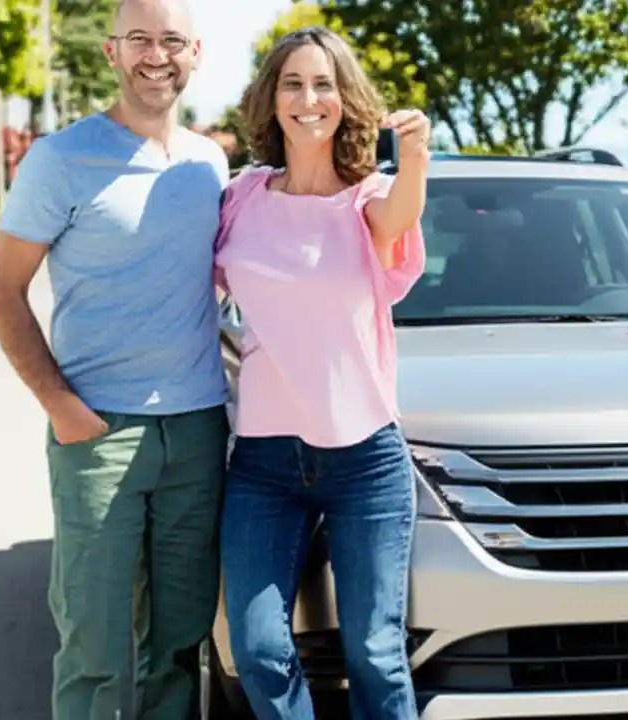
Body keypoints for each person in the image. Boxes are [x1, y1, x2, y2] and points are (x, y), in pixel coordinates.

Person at [0, 0, 230, 717]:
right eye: (141, 40)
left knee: (180, 647)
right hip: (99, 432)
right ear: (111, 54)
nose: (158, 55)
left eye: (173, 40)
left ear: (196, 53)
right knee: (93, 649)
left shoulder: (210, 163)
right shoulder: (60, 160)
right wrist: (62, 408)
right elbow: (2, 289)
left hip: (197, 429)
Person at [212, 26, 430, 720]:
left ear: (345, 98)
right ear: (271, 99)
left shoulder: (365, 199)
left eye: (325, 84)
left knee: (374, 651)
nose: (309, 98)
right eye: (293, 83)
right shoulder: (243, 196)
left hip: (365, 459)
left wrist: (417, 153)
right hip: (264, 462)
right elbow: (195, 284)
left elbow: (400, 215)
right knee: (258, 649)